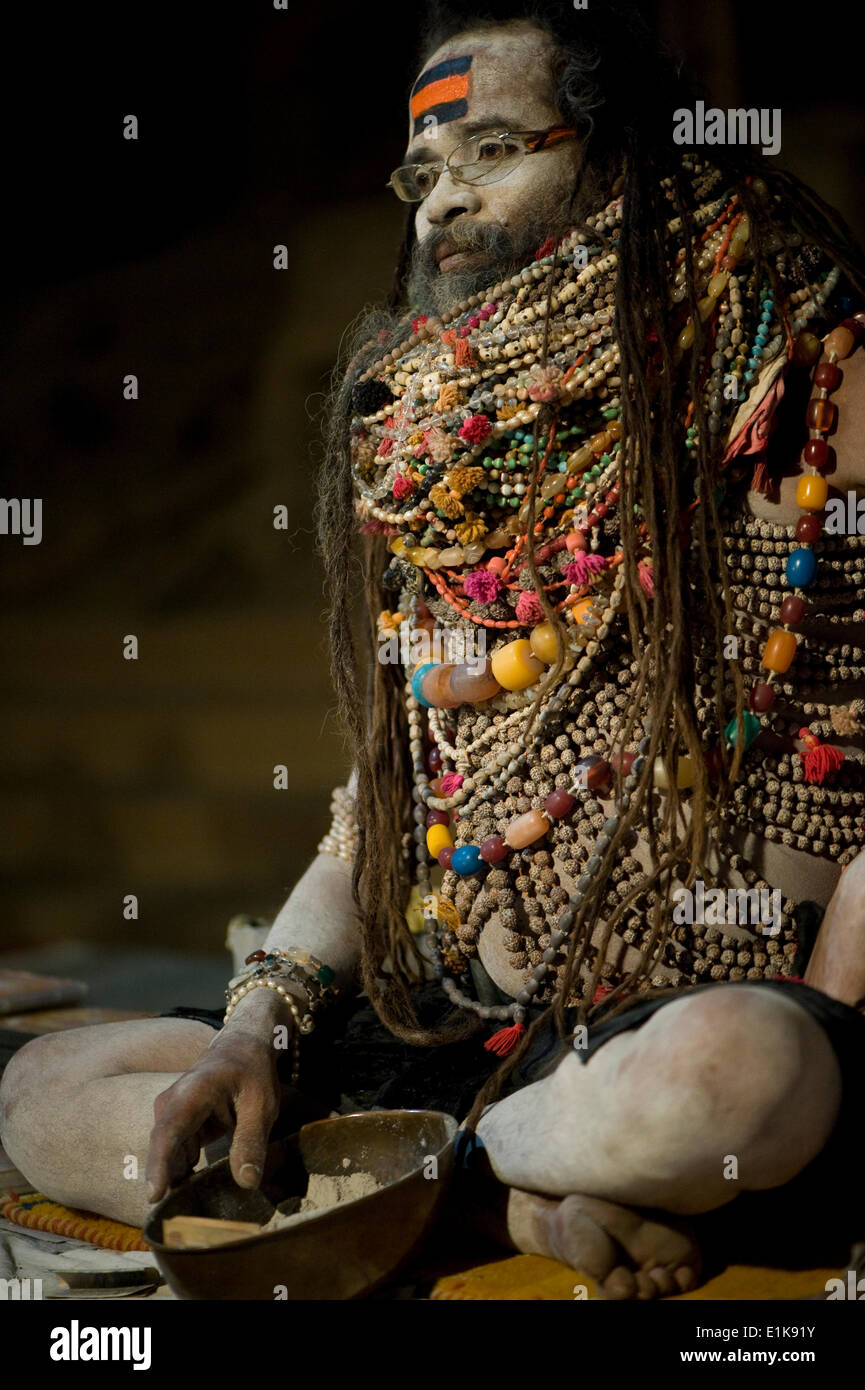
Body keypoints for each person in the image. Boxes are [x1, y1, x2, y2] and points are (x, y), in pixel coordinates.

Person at [3, 1, 865, 1300]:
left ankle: (392, 1183)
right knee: (38, 1091)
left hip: (677, 1039)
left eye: (492, 150)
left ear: (624, 156)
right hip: (458, 1037)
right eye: (422, 171)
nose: (438, 205)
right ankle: (501, 1199)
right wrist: (259, 1024)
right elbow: (382, 815)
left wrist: (847, 1037)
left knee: (736, 1082)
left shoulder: (802, 383)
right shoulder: (436, 459)